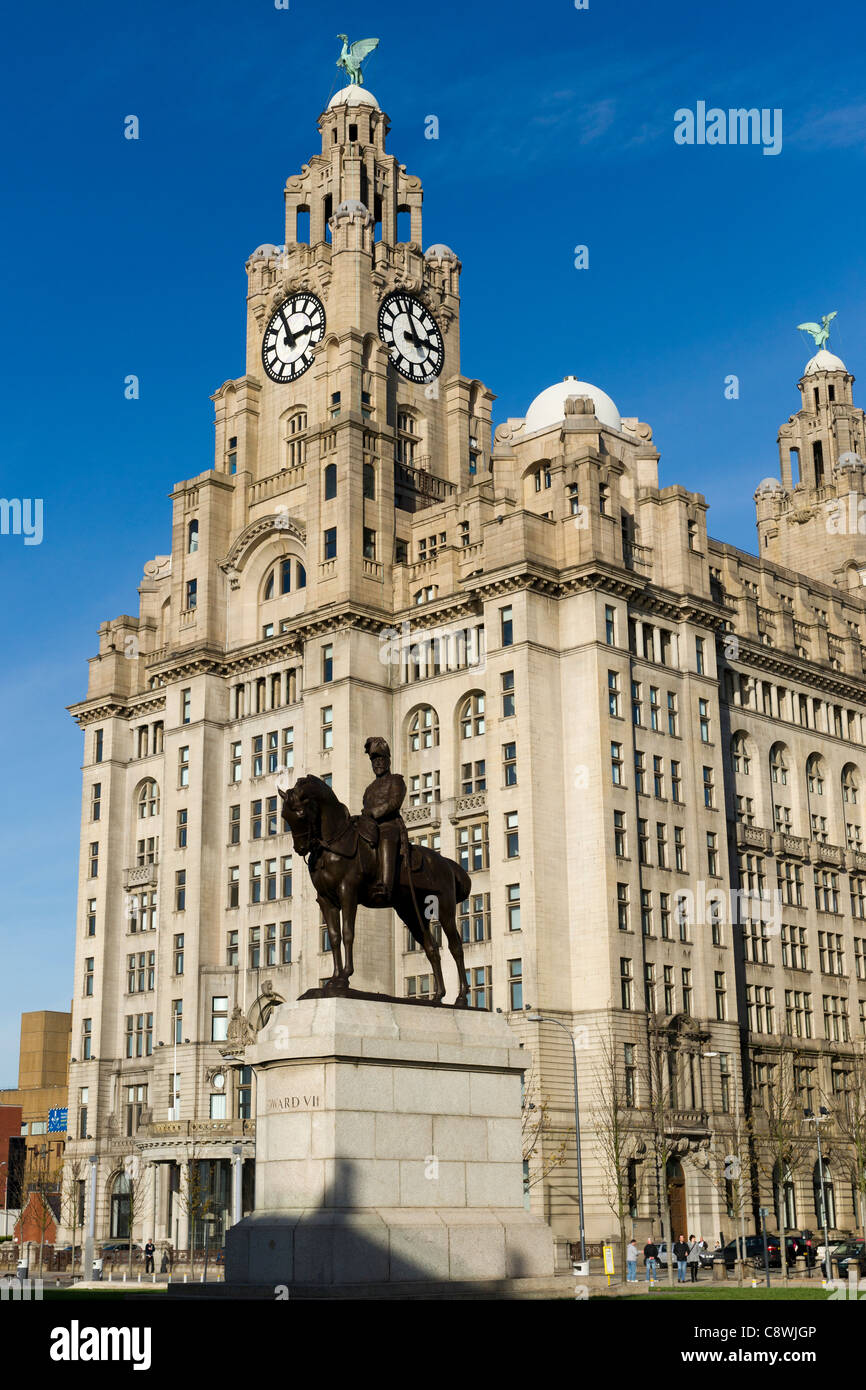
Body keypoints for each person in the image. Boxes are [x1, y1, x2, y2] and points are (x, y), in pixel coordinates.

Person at [359, 737, 407, 904]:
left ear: (388, 761)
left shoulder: (396, 780)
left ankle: (385, 886)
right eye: (374, 760)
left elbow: (394, 803)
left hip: (389, 826)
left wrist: (374, 812)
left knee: (385, 841)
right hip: (371, 828)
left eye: (381, 759)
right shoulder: (369, 789)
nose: (378, 763)